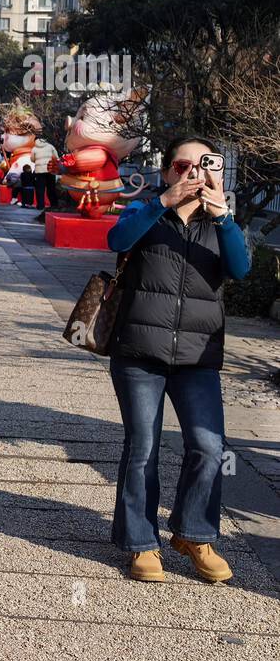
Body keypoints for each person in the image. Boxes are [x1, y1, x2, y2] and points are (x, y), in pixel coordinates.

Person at [105, 136, 251, 584]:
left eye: (202, 164)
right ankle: (140, 544)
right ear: (167, 170)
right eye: (181, 164)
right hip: (138, 352)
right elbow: (117, 237)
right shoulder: (146, 211)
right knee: (142, 447)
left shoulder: (220, 223)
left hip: (196, 356)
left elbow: (241, 269)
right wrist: (162, 202)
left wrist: (223, 213)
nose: (191, 172)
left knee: (208, 447)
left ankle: (194, 534)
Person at [31, 137, 60, 216]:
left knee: (40, 189)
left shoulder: (34, 149)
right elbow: (56, 157)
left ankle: (40, 206)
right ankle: (54, 205)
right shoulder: (50, 146)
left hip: (39, 171)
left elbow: (32, 159)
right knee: (51, 188)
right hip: (50, 170)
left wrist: (38, 160)